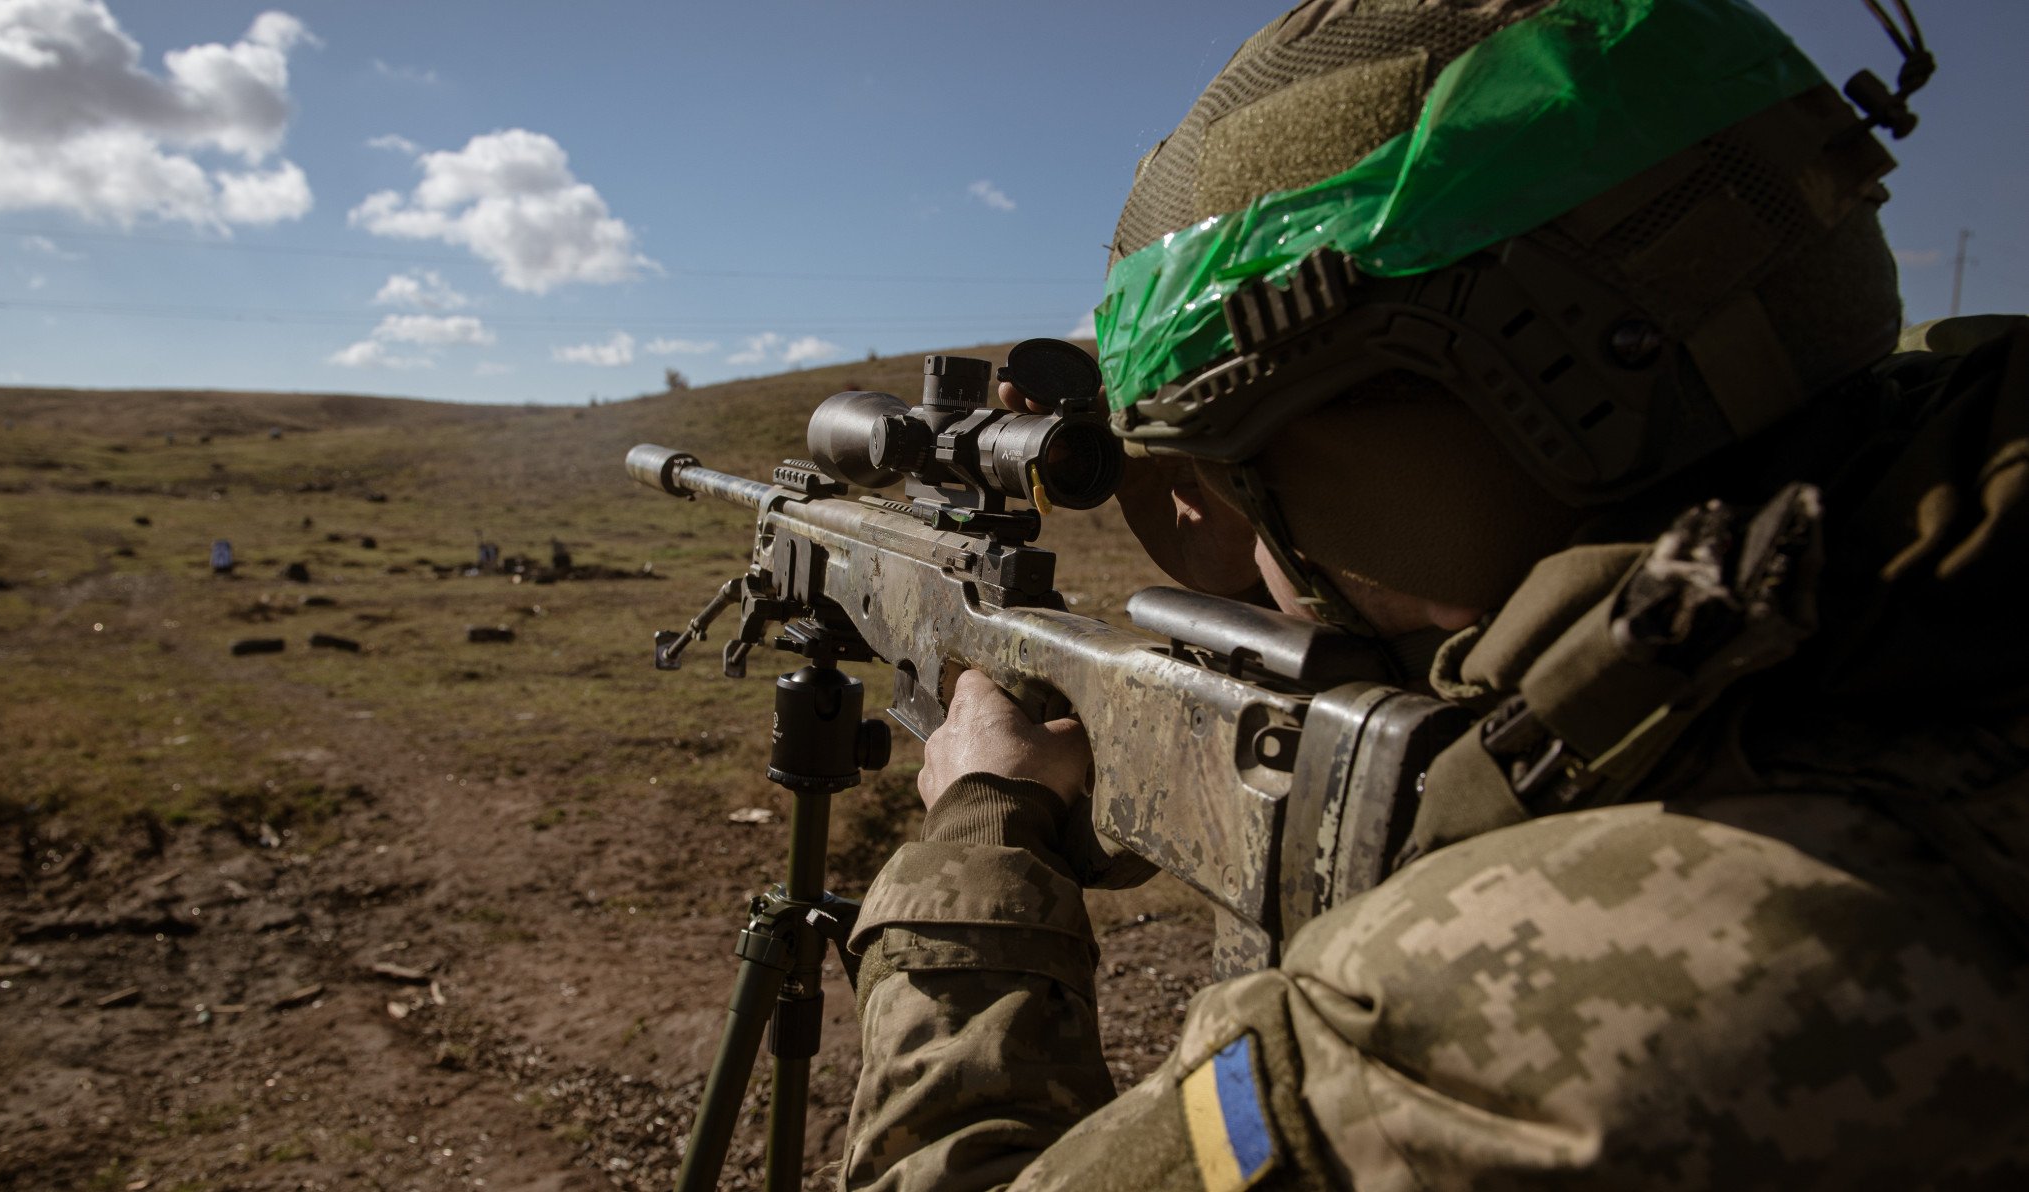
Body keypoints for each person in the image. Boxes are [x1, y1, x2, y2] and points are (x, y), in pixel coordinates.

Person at [839, 1, 2029, 1188]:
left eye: (1251, 472)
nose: (1245, 542)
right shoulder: (1932, 567)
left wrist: (980, 831)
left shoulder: (1486, 1006)